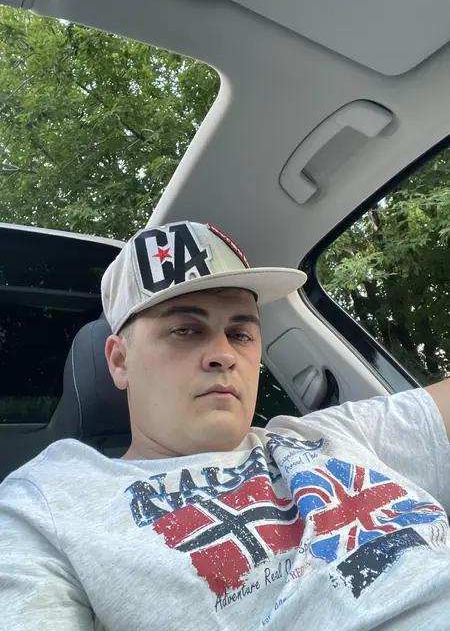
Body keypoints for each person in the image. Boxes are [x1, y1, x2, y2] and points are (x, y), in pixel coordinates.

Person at [0, 220, 450, 631]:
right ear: (120, 361)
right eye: (186, 330)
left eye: (240, 334)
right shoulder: (50, 503)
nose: (224, 354)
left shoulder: (327, 433)